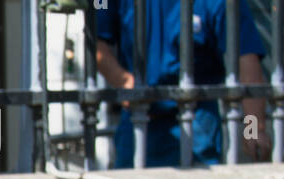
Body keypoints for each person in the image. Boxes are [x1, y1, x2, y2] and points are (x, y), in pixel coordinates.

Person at [94, 0, 271, 166]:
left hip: (197, 121)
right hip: (137, 117)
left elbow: (247, 67)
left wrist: (253, 130)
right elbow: (95, 42)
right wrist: (122, 80)